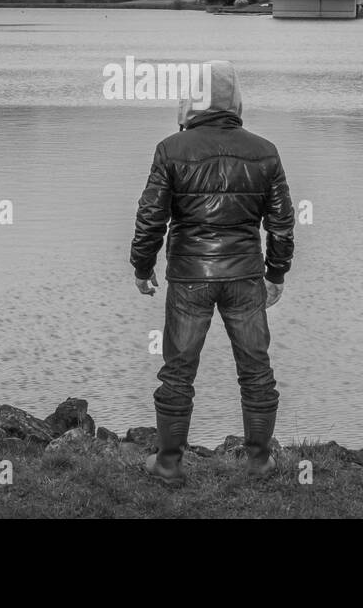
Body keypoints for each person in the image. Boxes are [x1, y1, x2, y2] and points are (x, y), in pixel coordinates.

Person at [130, 60, 295, 484]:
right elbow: (280, 223)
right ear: (236, 101)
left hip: (189, 276)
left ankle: (168, 464)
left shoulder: (171, 149)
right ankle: (258, 461)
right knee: (256, 369)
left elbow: (151, 217)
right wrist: (276, 274)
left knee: (178, 370)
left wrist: (142, 267)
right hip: (244, 275)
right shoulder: (265, 151)